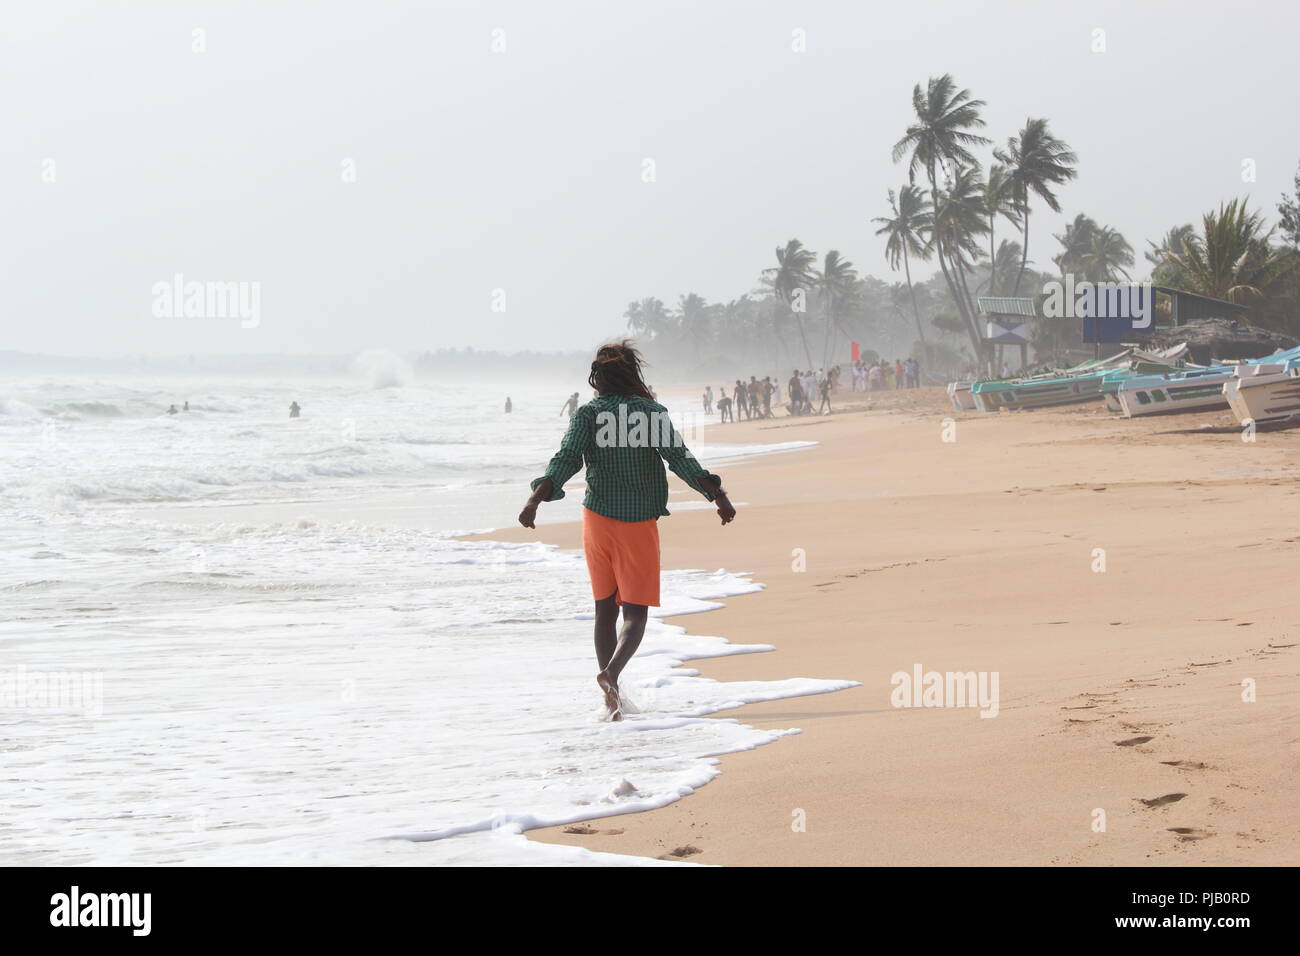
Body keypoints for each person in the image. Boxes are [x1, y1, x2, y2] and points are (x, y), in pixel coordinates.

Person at [519, 341, 735, 721]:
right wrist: (716, 495)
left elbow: (566, 458)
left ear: (598, 379)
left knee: (604, 609)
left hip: (597, 520)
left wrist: (536, 498)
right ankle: (612, 673)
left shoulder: (588, 414)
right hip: (638, 521)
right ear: (633, 374)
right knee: (635, 613)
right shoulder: (652, 414)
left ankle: (612, 699)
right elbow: (680, 459)